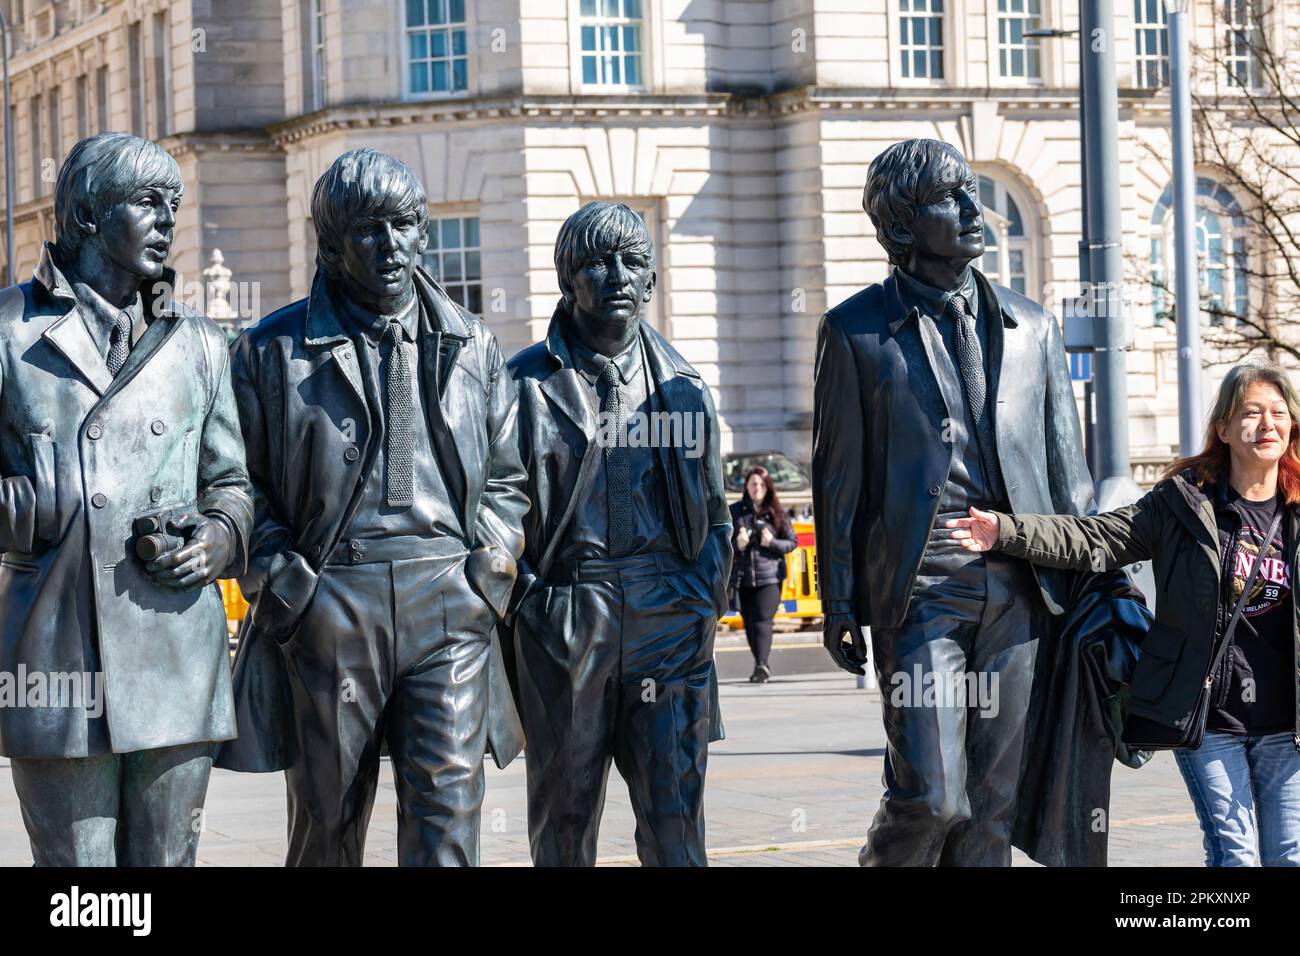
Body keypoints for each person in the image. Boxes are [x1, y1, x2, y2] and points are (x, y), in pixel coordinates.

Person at [215, 148, 529, 867]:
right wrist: (283, 580)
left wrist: (491, 570)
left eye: (405, 225)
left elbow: (510, 479)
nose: (392, 246)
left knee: (450, 812)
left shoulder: (473, 346)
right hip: (333, 599)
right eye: (367, 230)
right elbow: (237, 483)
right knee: (329, 819)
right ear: (330, 243)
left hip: (449, 596)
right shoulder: (271, 351)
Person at [811, 138, 1105, 866]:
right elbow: (839, 480)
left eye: (972, 192)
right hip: (921, 588)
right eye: (951, 197)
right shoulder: (855, 332)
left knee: (993, 803)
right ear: (904, 225)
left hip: (1020, 582)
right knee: (933, 794)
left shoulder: (1033, 327)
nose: (976, 211)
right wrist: (840, 599)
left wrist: (1101, 582)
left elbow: (1068, 477)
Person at [0, 133, 253, 865]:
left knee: (168, 863)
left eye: (173, 204)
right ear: (84, 216)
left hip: (174, 648)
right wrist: (24, 506)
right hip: (54, 657)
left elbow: (233, 484)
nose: (168, 221)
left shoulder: (199, 343)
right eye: (147, 203)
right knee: (80, 883)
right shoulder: (11, 331)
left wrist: (219, 538)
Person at [950, 362, 1300, 867]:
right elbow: (1094, 538)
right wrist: (1005, 531)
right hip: (1205, 715)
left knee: (1288, 855)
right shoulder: (1182, 505)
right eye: (1251, 413)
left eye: (1278, 413)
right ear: (1223, 428)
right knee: (1236, 854)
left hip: (1285, 722)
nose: (1267, 424)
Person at [506, 201, 731, 867]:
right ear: (566, 278)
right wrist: (533, 607)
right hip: (569, 612)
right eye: (597, 264)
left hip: (669, 614)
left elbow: (716, 512)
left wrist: (701, 603)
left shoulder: (683, 386)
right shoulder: (522, 385)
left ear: (654, 278)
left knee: (676, 831)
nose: (618, 276)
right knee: (564, 824)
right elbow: (492, 508)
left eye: (633, 262)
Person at [730, 466, 797, 682]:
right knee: (749, 622)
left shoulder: (777, 512)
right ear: (746, 487)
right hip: (743, 577)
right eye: (752, 484)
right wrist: (736, 544)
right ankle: (759, 663)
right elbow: (721, 543)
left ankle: (762, 665)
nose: (757, 488)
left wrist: (771, 542)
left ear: (767, 487)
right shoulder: (735, 511)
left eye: (760, 484)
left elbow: (792, 542)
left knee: (762, 619)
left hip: (769, 576)